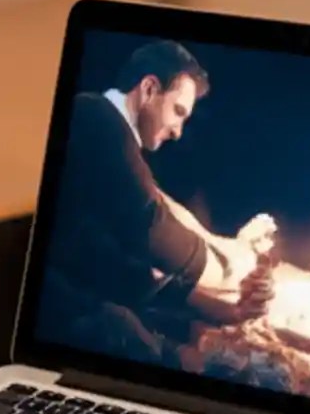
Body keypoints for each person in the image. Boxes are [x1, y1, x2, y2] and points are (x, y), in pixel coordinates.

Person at [38, 39, 273, 372]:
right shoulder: (98, 119)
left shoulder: (108, 134)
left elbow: (113, 263)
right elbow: (151, 226)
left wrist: (221, 309)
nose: (178, 131)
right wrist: (231, 269)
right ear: (149, 89)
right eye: (178, 111)